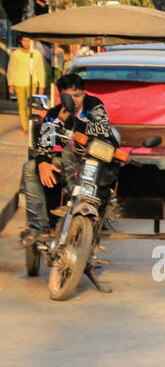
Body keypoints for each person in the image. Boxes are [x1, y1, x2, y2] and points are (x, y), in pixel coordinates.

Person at [20, 73, 118, 246]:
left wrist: (72, 120)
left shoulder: (94, 105)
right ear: (60, 96)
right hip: (67, 166)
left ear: (84, 93)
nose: (75, 100)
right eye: (69, 96)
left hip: (95, 164)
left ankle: (85, 207)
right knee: (30, 167)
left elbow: (102, 128)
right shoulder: (54, 114)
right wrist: (42, 162)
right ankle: (38, 226)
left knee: (68, 152)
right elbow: (44, 143)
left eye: (77, 95)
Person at [7, 37, 49, 133]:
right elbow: (11, 68)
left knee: (31, 105)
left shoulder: (36, 54)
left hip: (32, 82)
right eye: (24, 40)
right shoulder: (16, 54)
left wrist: (41, 85)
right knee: (22, 105)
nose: (26, 43)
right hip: (19, 82)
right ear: (21, 41)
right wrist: (11, 84)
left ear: (32, 41)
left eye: (28, 40)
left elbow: (40, 69)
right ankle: (25, 127)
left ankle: (30, 126)